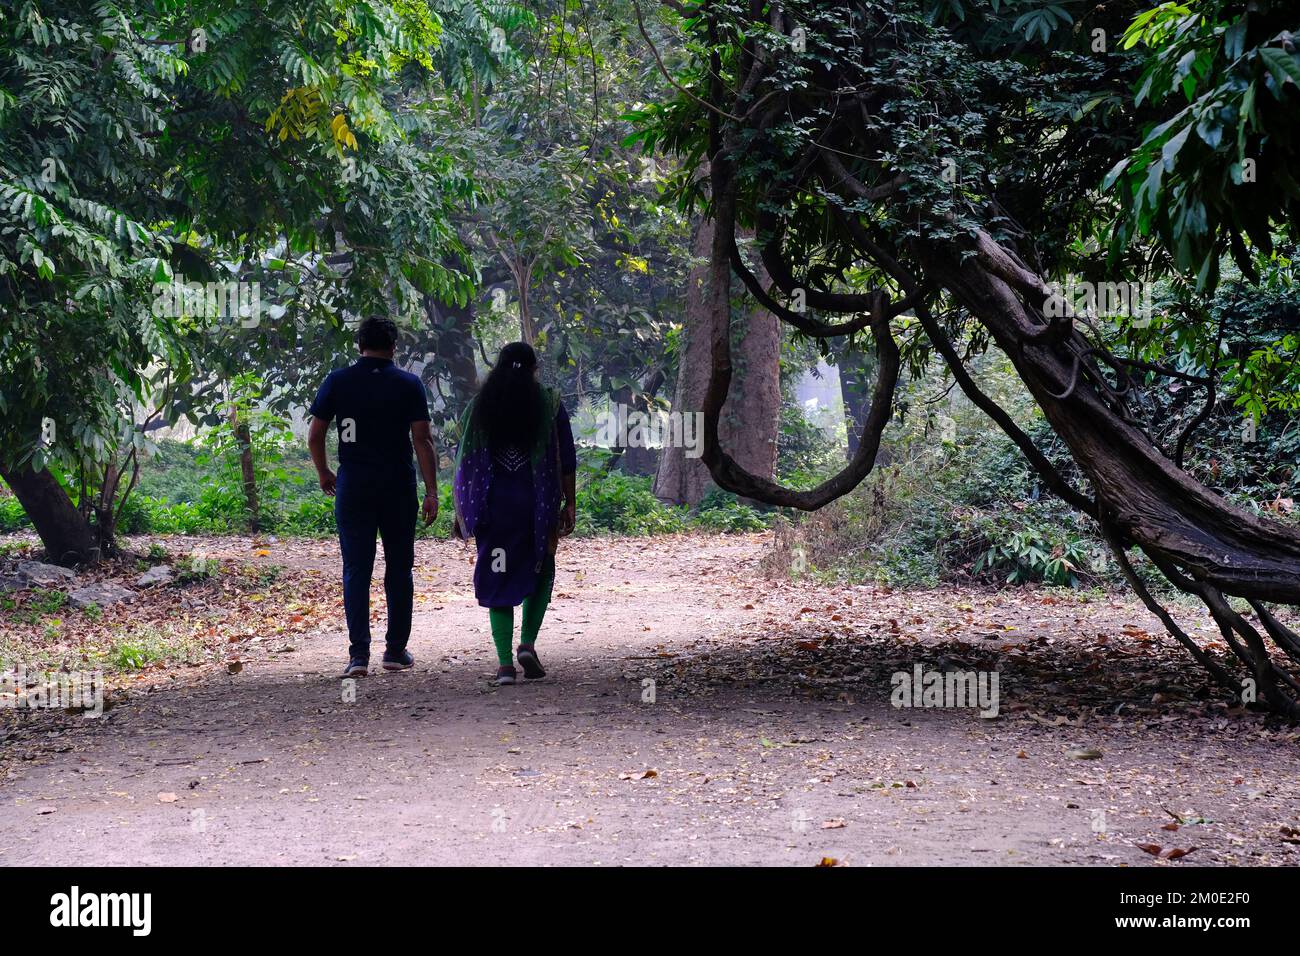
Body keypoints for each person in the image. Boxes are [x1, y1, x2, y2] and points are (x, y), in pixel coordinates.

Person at [307, 317, 439, 678]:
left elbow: (316, 434)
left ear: (359, 344)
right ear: (393, 346)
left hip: (354, 486)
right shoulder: (409, 384)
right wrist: (431, 491)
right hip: (396, 486)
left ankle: (358, 656)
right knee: (399, 568)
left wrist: (324, 472)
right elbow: (422, 439)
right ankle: (395, 651)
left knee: (356, 569)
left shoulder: (338, 381)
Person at [453, 342, 577, 686]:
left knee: (498, 574)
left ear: (498, 366)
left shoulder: (481, 406)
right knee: (541, 568)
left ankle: (505, 665)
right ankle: (528, 643)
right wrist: (570, 502)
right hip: (537, 505)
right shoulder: (550, 405)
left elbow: (467, 460)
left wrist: (463, 509)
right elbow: (566, 459)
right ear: (534, 368)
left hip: (494, 508)